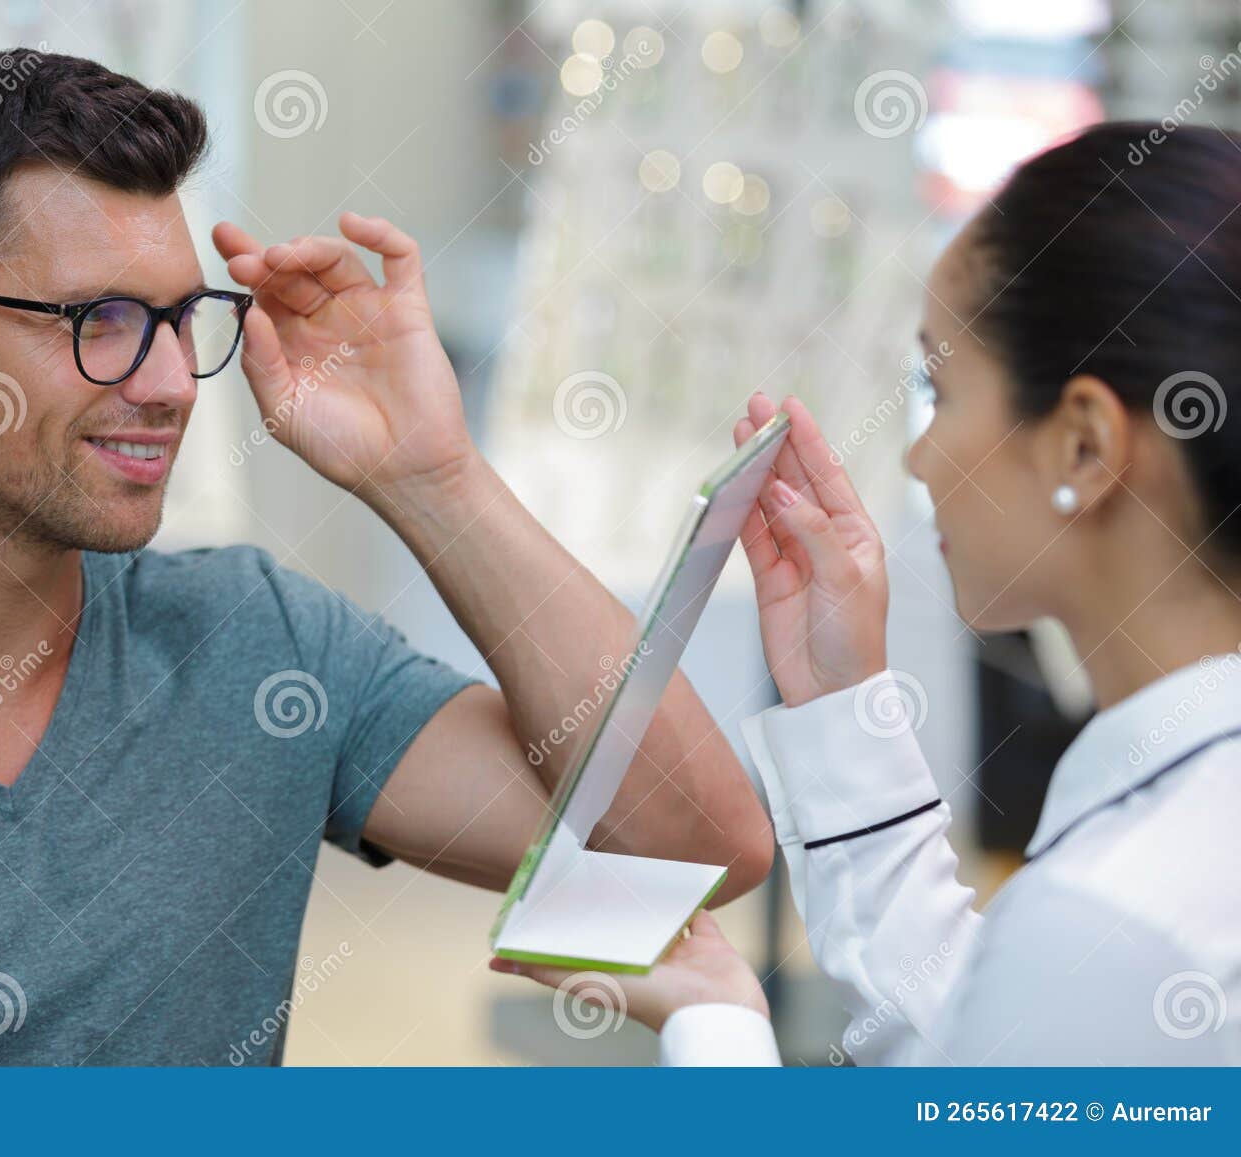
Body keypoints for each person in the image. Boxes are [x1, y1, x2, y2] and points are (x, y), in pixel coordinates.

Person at [0, 49, 775, 1065]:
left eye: (183, 317)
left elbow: (692, 848)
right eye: (96, 319)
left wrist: (431, 476)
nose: (172, 382)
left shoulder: (256, 642)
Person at [495, 122, 1241, 1067]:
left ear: (1084, 446)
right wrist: (839, 699)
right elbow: (990, 1049)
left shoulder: (1116, 925)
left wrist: (713, 1020)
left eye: (941, 387)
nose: (919, 456)